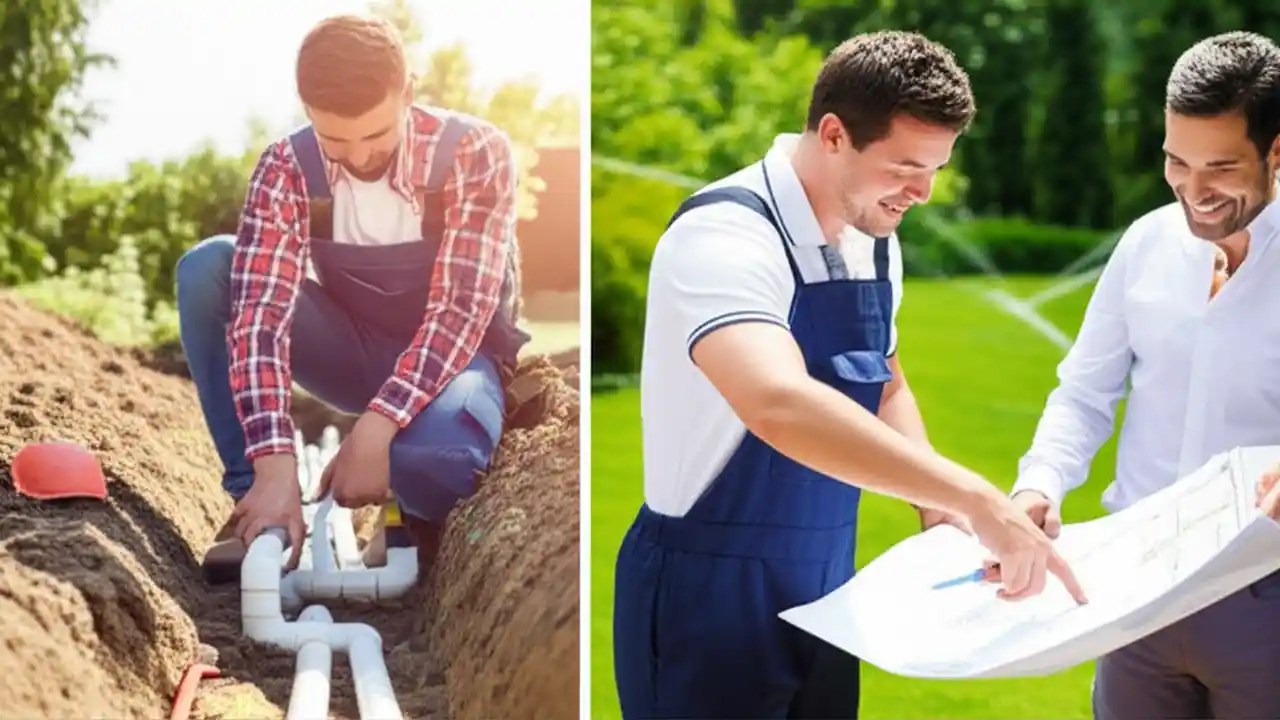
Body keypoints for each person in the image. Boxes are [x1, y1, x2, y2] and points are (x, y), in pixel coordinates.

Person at [611, 30, 1087, 719]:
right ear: (833, 134)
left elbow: (883, 381)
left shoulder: (873, 240)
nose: (922, 193)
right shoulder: (723, 236)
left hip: (831, 586)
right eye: (904, 168)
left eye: (936, 169)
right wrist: (979, 497)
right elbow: (776, 401)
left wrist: (941, 513)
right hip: (706, 596)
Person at [175, 14, 527, 571]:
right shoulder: (285, 167)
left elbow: (461, 310)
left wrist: (379, 425)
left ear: (407, 92)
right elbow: (261, 319)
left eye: (377, 135)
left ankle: (411, 514)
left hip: (456, 363)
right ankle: (258, 506)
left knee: (443, 459)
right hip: (351, 348)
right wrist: (273, 464)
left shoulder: (473, 152)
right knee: (209, 268)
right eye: (335, 139)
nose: (360, 157)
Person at [1004, 31, 1280, 720]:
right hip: (1136, 599)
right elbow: (1086, 391)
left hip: (1266, 600)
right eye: (1175, 162)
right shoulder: (1146, 243)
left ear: (1278, 151)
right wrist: (1040, 482)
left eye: (1220, 167)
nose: (1194, 191)